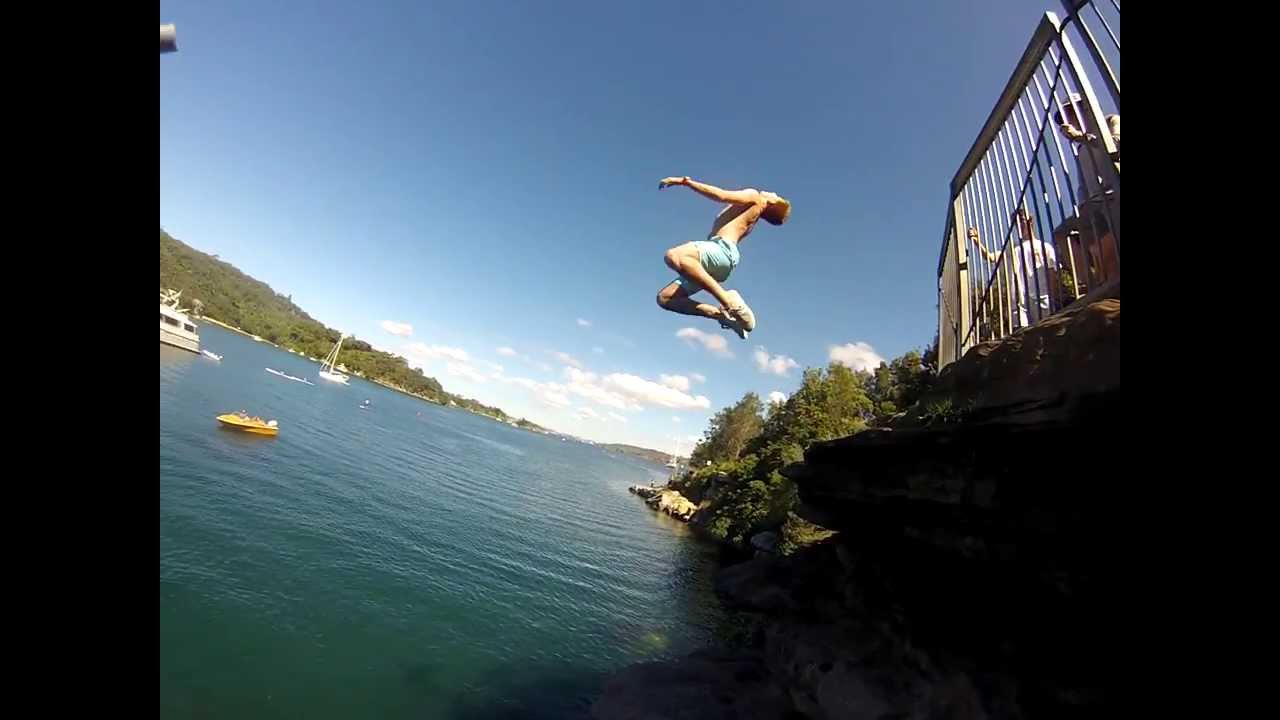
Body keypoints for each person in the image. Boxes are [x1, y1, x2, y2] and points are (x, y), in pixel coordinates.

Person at [655, 176, 791, 339]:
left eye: (777, 195)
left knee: (674, 255)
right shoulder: (750, 214)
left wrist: (686, 183)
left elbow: (721, 195)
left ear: (772, 202)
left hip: (721, 250)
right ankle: (722, 316)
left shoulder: (755, 197)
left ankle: (728, 301)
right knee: (665, 298)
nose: (774, 192)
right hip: (720, 264)